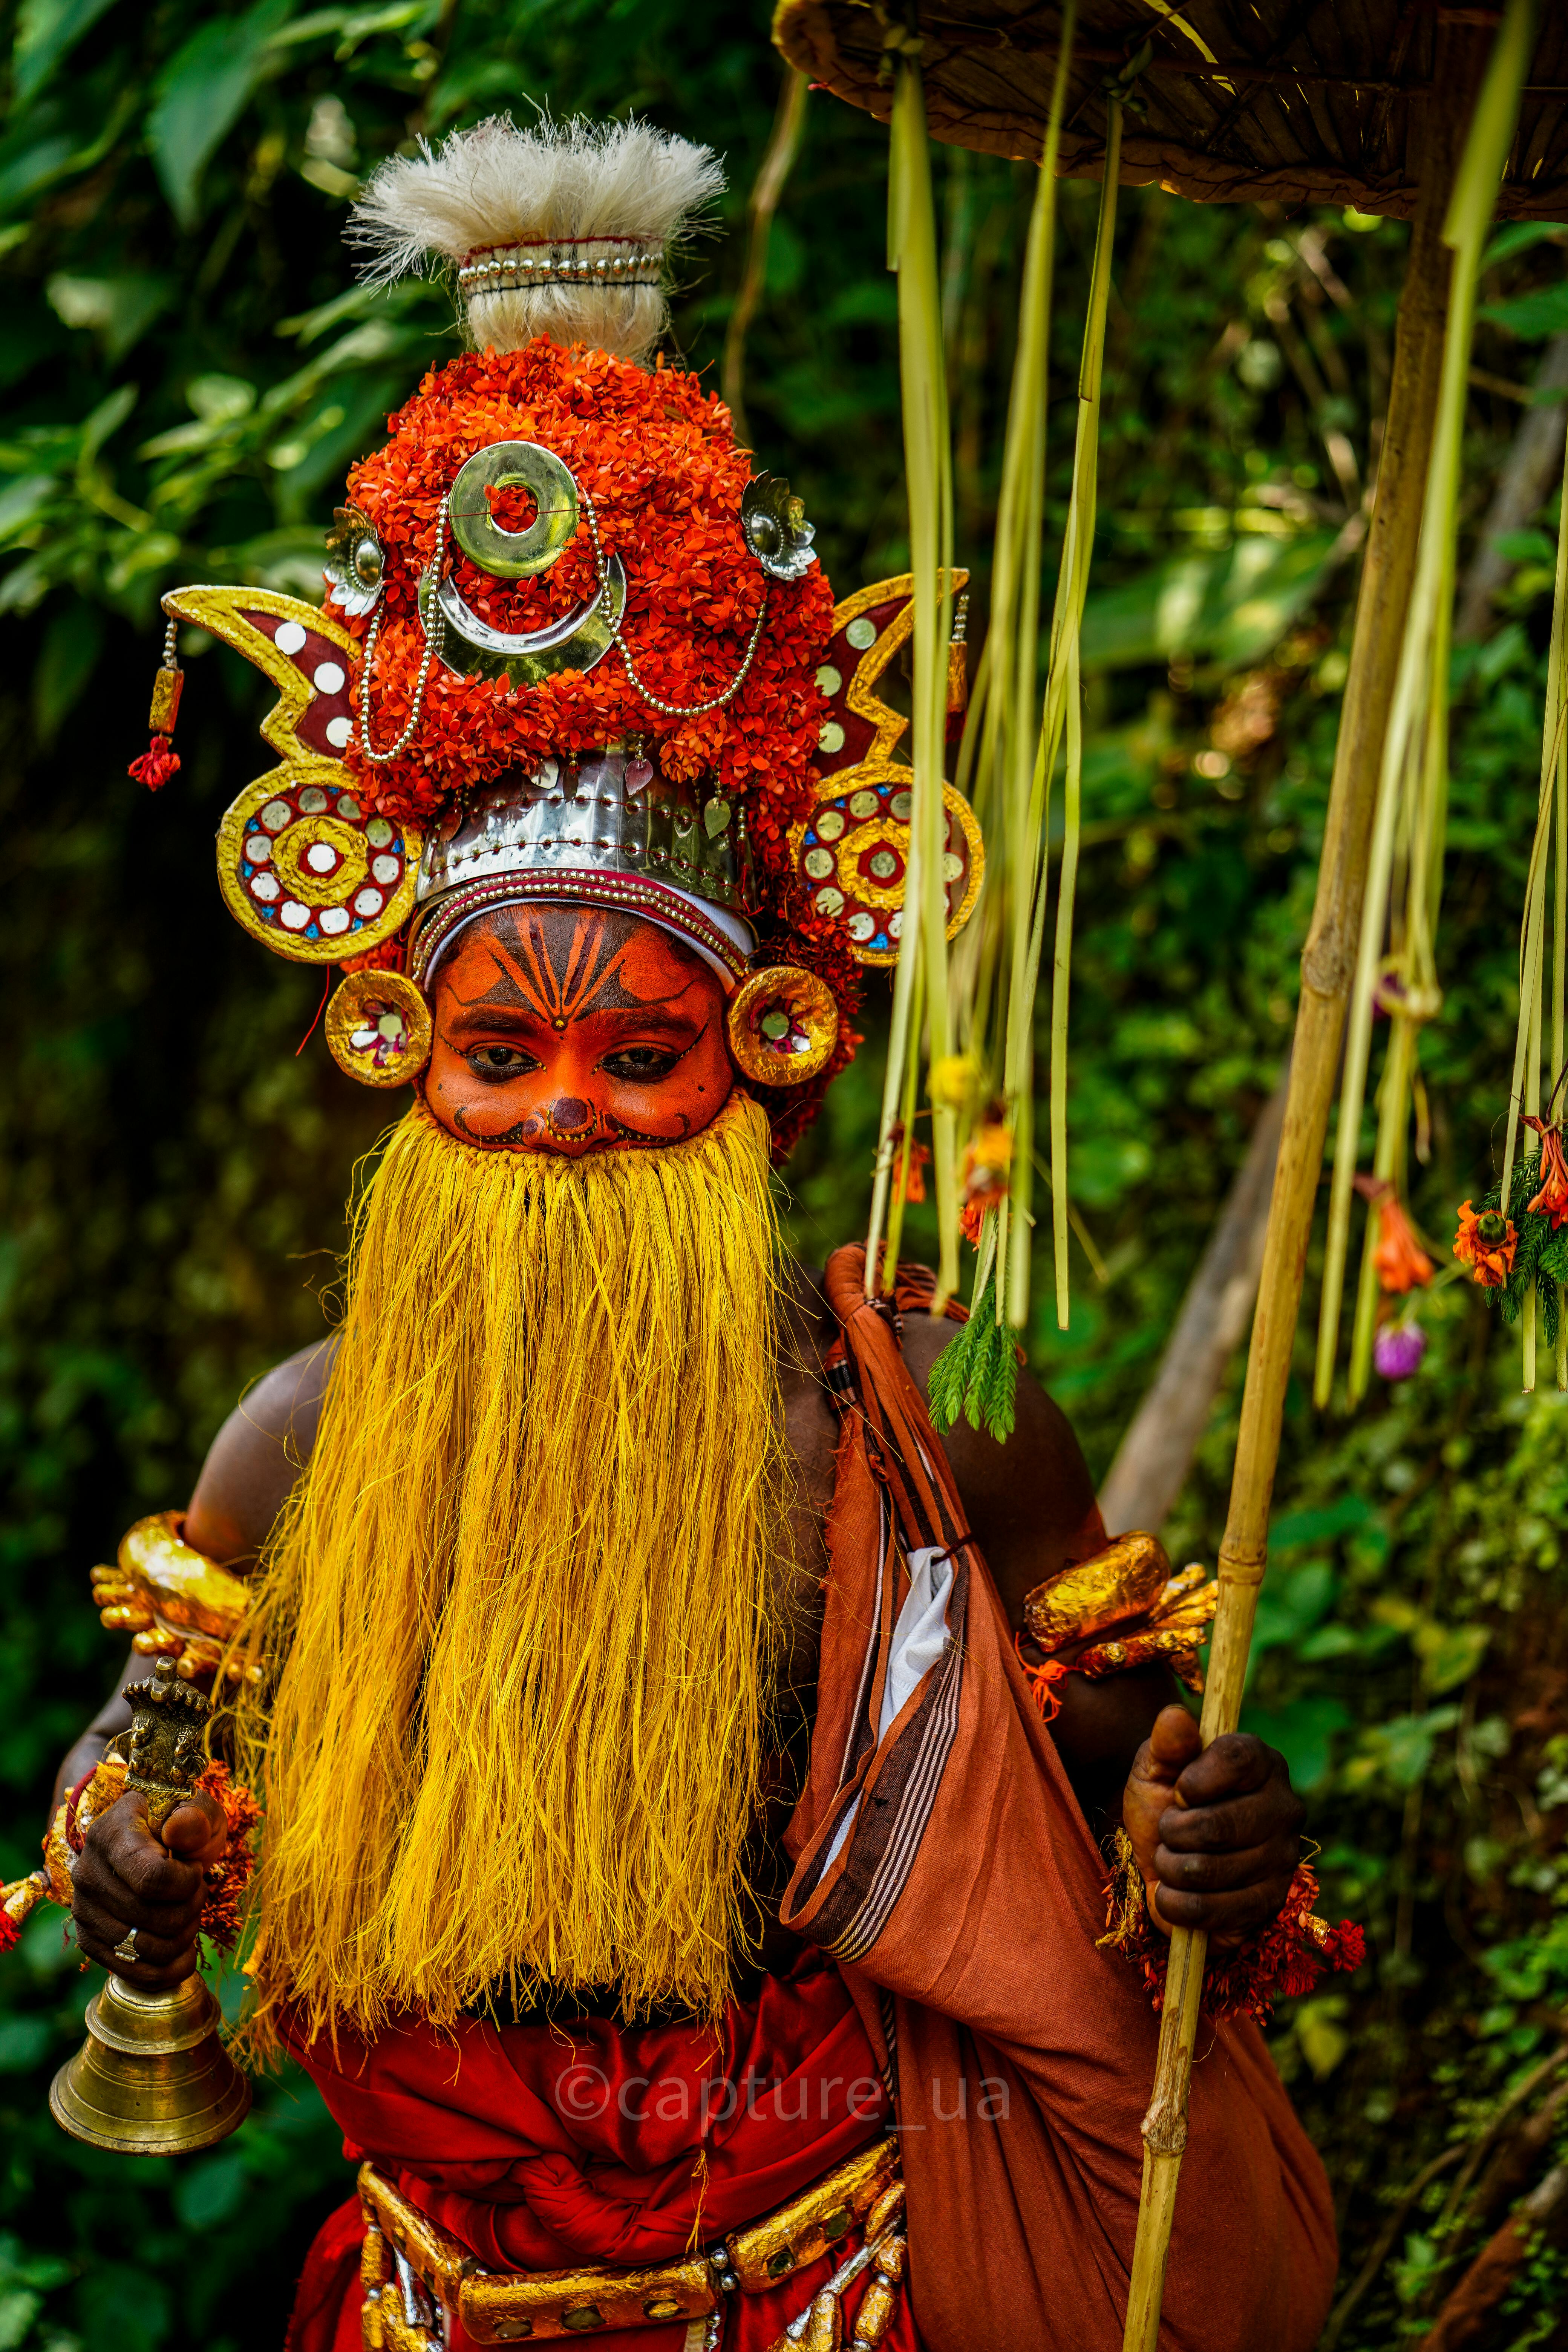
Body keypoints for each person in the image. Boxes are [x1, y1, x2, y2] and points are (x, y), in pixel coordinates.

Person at [38, 115, 1345, 2352]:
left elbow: (1138, 1801)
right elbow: (134, 1767)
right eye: (499, 1056)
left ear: (761, 1060)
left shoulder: (920, 1420)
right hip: (444, 2277)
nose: (561, 1113)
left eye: (638, 1056)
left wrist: (1208, 1825)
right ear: (403, 1059)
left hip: (847, 2253)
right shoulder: (308, 1436)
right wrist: (124, 1856)